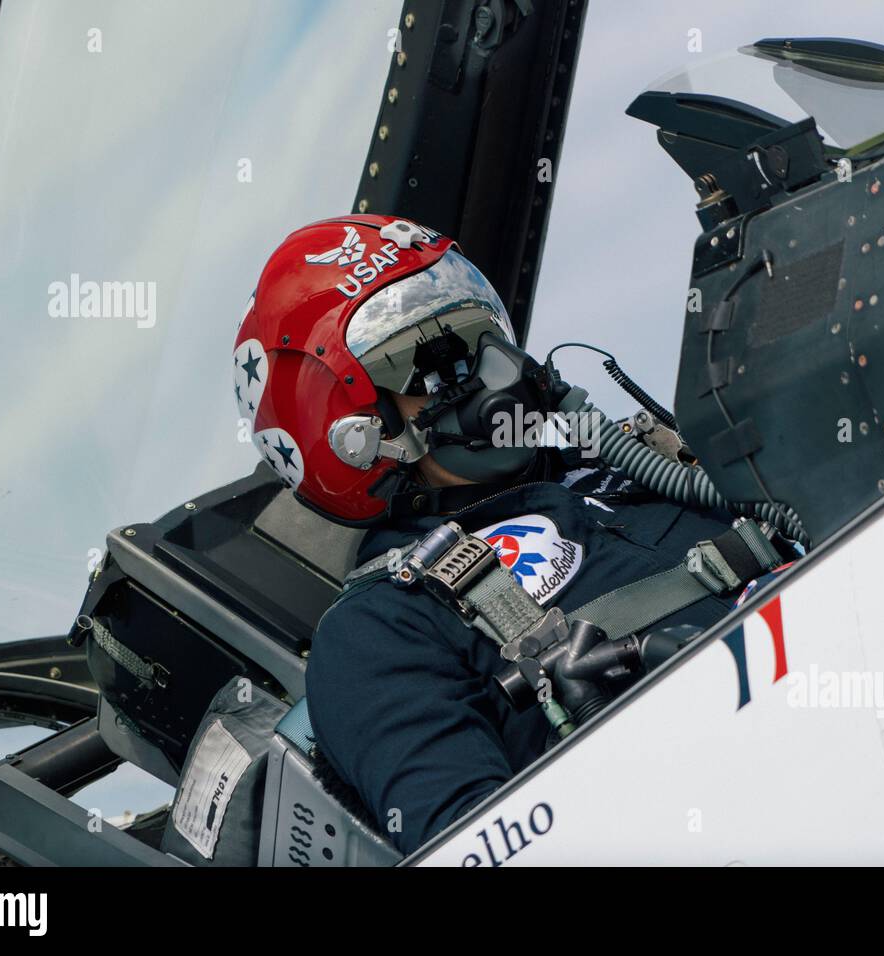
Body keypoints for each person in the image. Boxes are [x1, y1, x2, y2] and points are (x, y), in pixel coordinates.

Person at [233, 215, 791, 854]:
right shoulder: (380, 628)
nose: (488, 372)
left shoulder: (645, 469)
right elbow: (477, 846)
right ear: (355, 432)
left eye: (477, 339)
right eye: (432, 364)